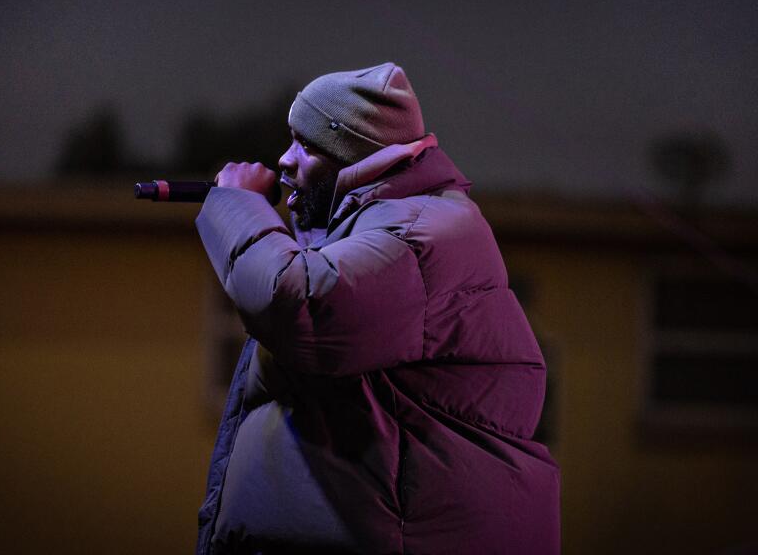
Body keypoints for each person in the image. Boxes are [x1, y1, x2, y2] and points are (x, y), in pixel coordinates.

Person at [195, 62, 560, 555]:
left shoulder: (422, 233)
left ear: (354, 153)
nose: (284, 160)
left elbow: (302, 307)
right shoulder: (376, 230)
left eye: (305, 144)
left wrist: (238, 205)